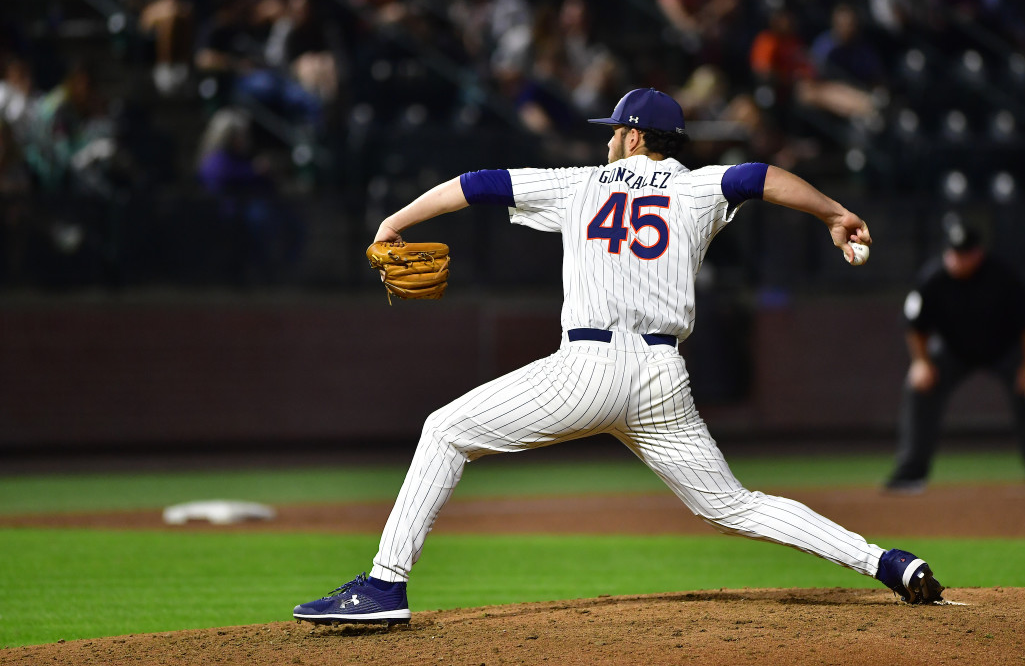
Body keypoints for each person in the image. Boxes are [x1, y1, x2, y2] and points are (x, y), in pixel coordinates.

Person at [292, 88, 944, 624]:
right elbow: (761, 177)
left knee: (444, 431)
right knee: (733, 507)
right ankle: (885, 562)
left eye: (614, 131)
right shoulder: (695, 189)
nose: (607, 140)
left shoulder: (583, 184)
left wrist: (394, 224)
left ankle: (384, 585)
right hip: (663, 377)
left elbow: (476, 184)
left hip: (588, 368)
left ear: (633, 137)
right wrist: (834, 213)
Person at [885, 222, 1025, 497]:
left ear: (978, 253)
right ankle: (910, 474)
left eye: (965, 253)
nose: (958, 259)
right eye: (954, 253)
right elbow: (914, 325)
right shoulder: (933, 277)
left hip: (1004, 348)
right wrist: (921, 362)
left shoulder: (1003, 275)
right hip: (952, 350)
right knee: (918, 387)